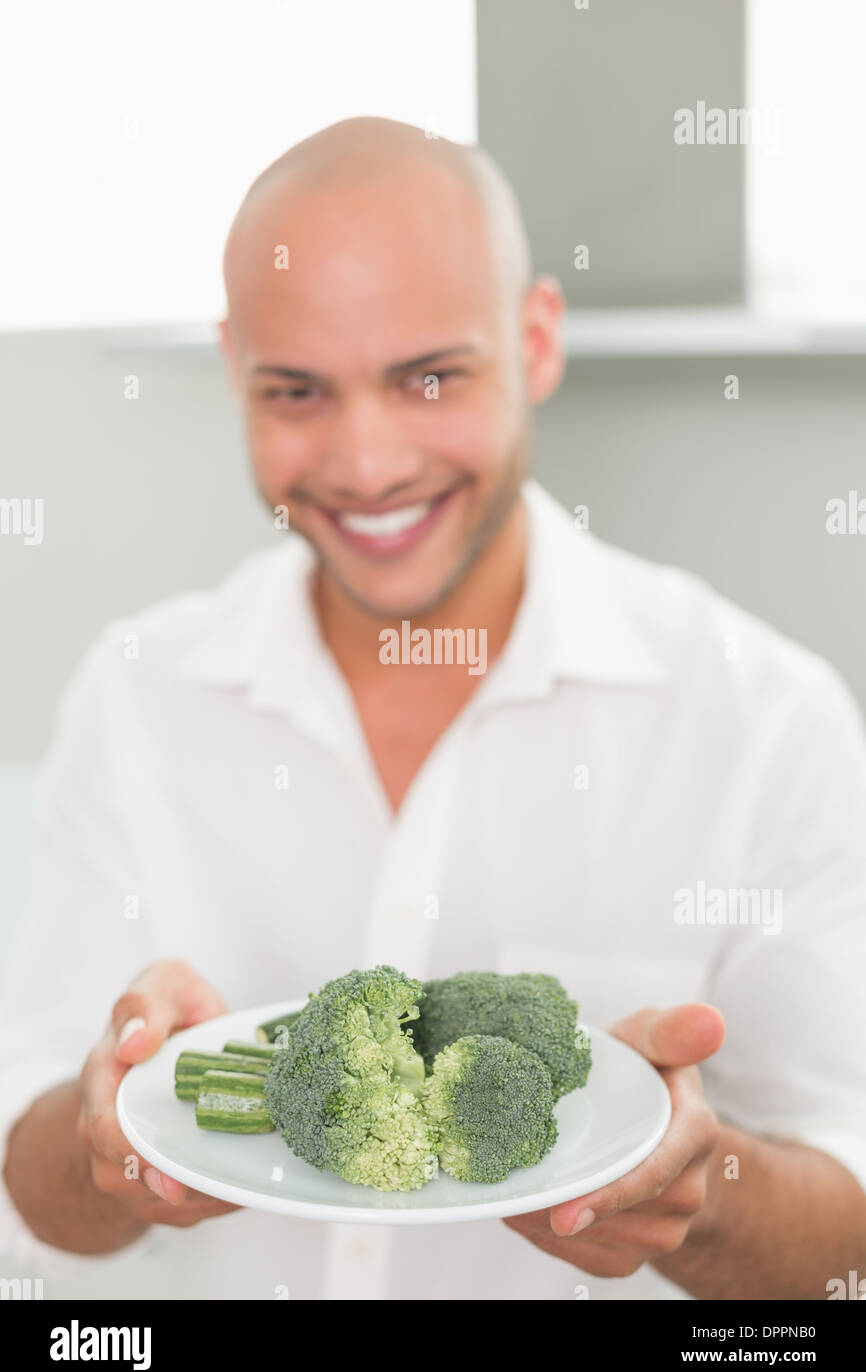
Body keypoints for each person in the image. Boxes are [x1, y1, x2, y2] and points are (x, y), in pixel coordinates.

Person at [2, 117, 866, 1302]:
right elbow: (34, 1193)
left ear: (535, 342)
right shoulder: (134, 696)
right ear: (232, 365)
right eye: (296, 390)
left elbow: (849, 1238)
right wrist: (104, 1121)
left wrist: (700, 1192)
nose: (365, 463)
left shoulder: (770, 725)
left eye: (428, 377)